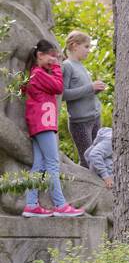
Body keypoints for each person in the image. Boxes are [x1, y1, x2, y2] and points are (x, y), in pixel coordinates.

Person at [21, 40, 82, 218]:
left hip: (41, 124)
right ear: (40, 55)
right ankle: (60, 205)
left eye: (56, 58)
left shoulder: (37, 73)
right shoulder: (38, 73)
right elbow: (58, 87)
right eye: (52, 57)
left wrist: (53, 65)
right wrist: (57, 67)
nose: (54, 61)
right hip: (42, 124)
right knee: (53, 164)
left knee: (39, 164)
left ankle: (31, 205)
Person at [60, 30, 107, 166]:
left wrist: (95, 90)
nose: (89, 50)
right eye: (86, 47)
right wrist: (90, 87)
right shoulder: (67, 66)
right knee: (87, 160)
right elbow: (63, 94)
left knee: (98, 157)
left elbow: (84, 91)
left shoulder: (81, 65)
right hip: (80, 122)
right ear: (74, 45)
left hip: (95, 118)